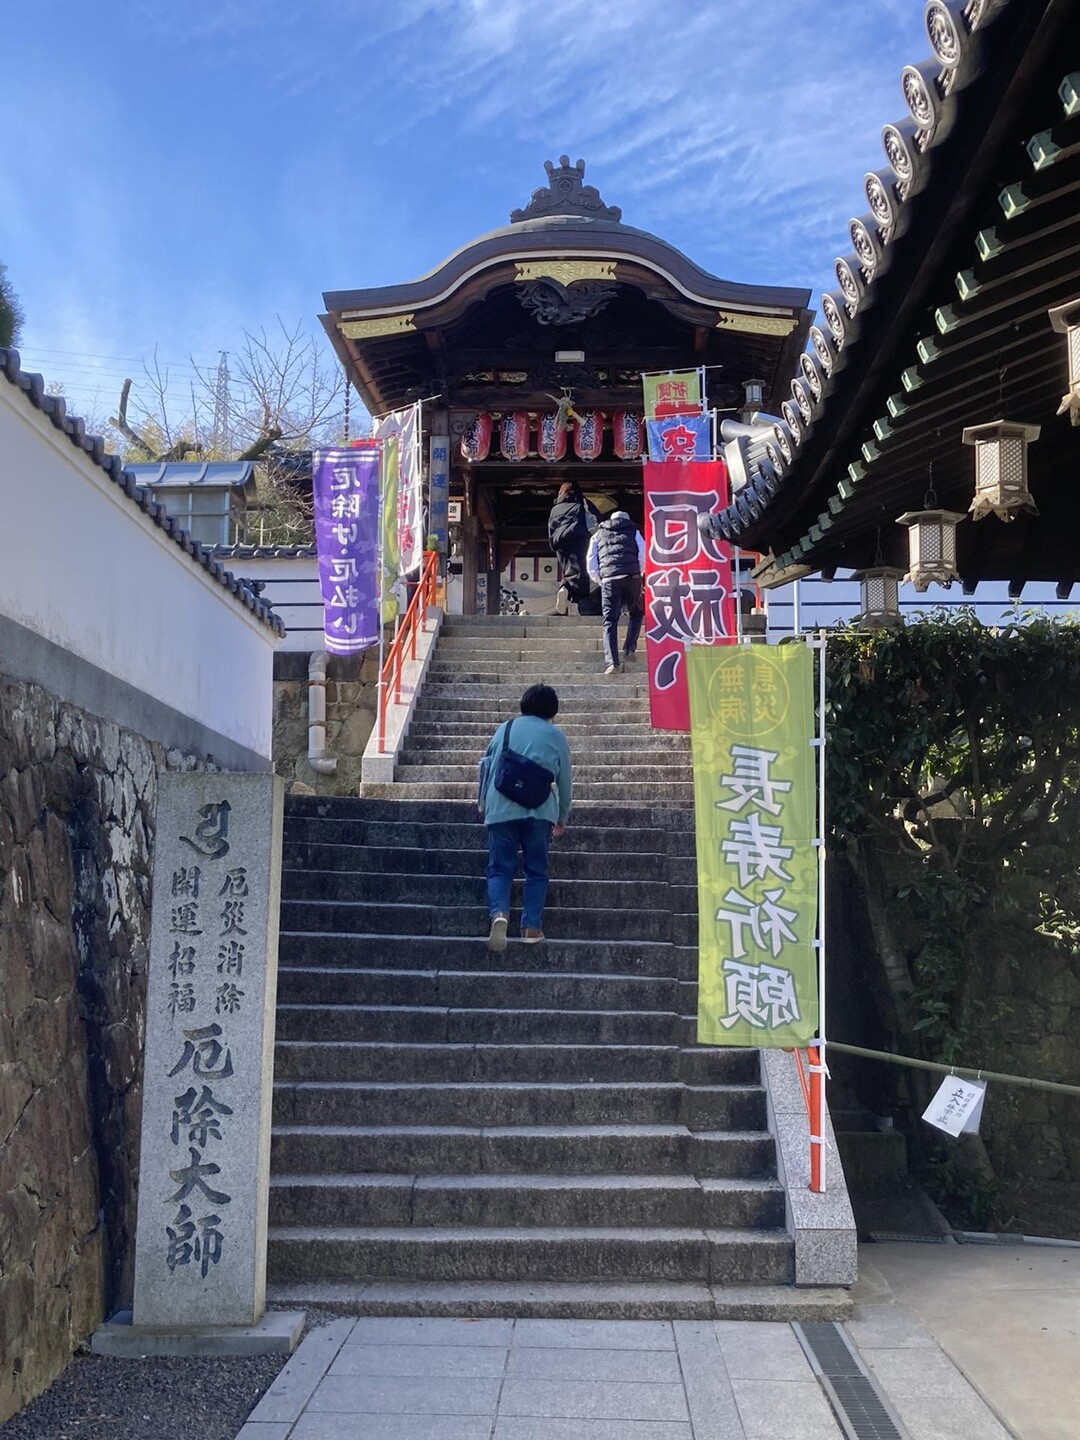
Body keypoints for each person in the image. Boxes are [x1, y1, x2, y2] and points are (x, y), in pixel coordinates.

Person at [477, 684, 572, 951]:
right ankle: (531, 926)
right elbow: (565, 782)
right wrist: (562, 816)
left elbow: (486, 766)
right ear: (552, 710)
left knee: (499, 868)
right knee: (536, 870)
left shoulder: (505, 728)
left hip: (500, 808)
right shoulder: (556, 736)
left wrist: (483, 804)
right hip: (539, 810)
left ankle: (499, 914)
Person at [586, 510, 646, 675]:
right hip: (632, 577)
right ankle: (629, 649)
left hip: (609, 580)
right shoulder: (634, 532)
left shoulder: (598, 534)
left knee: (610, 621)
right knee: (637, 612)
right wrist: (638, 574)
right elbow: (643, 554)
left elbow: (591, 561)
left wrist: (600, 579)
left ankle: (612, 663)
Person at [547, 482, 600, 616]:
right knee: (580, 572)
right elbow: (597, 520)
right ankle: (577, 601)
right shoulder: (582, 503)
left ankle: (565, 588)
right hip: (578, 539)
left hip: (559, 543)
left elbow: (550, 529)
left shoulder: (555, 509)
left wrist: (553, 544)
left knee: (570, 570)